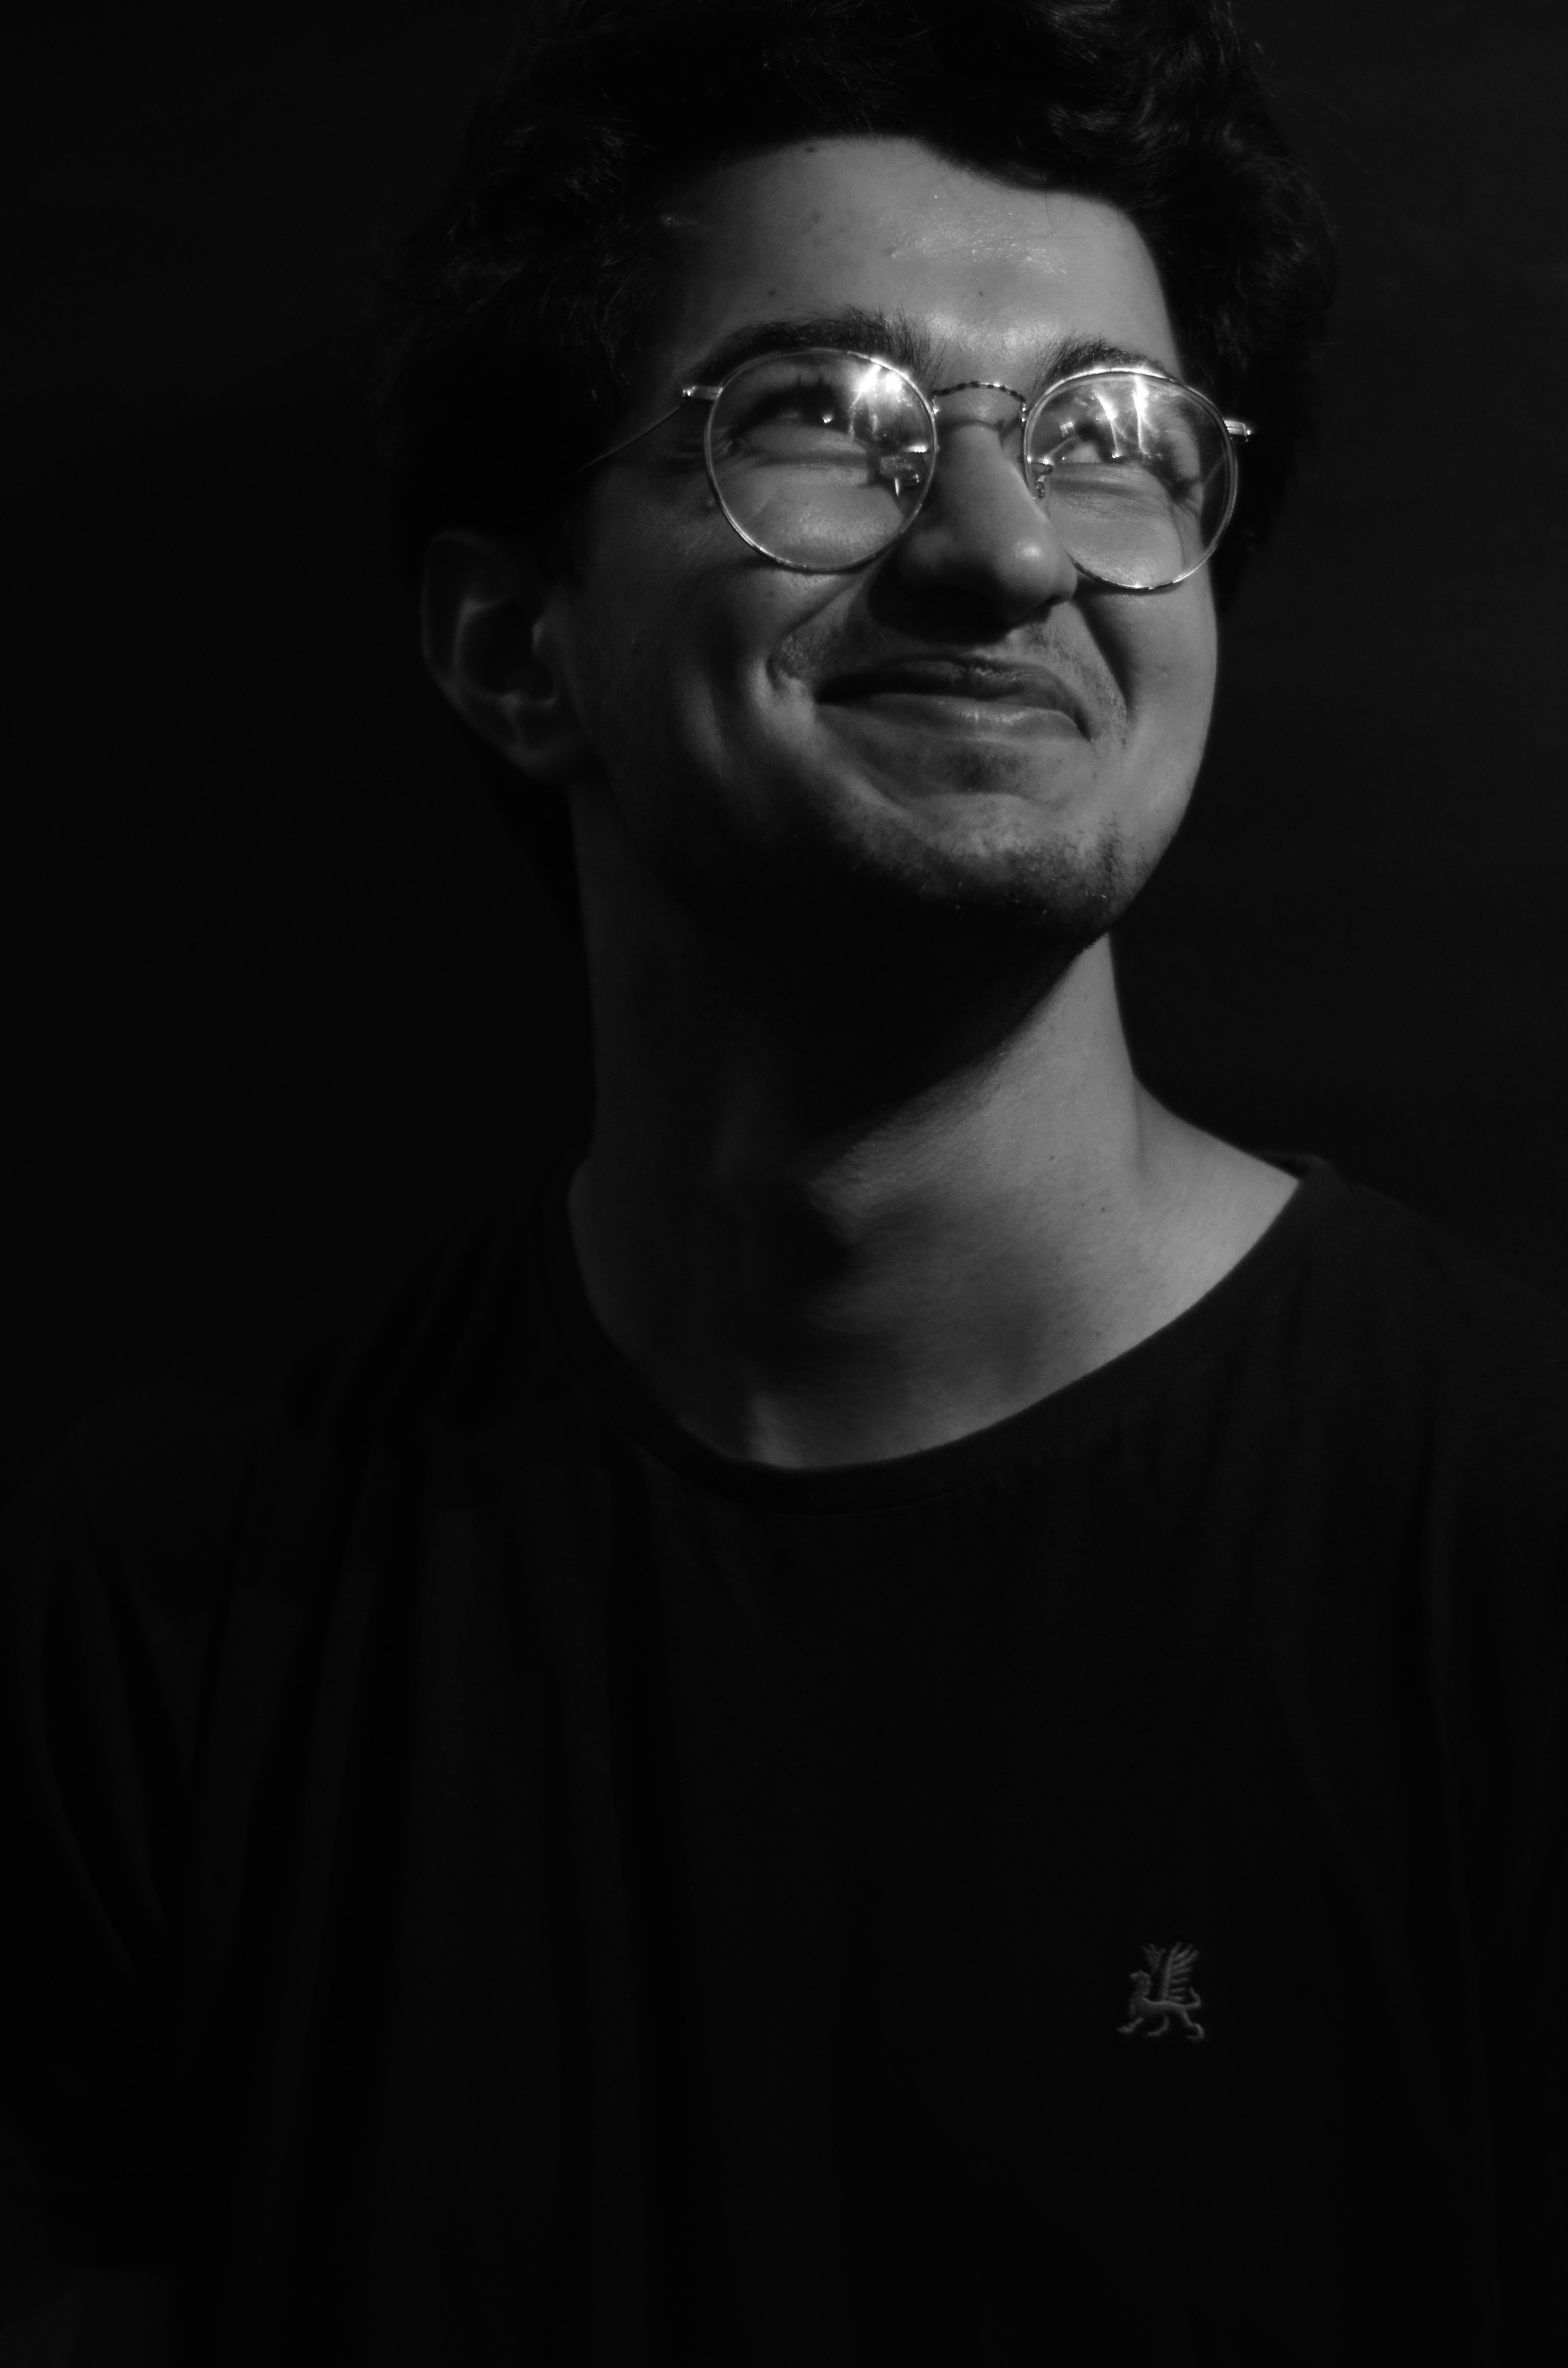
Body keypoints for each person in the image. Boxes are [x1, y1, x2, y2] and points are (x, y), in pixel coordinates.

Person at [2, 0, 1564, 2361]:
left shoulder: (1516, 1537)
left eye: (1116, 437)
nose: (1008, 542)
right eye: (822, 422)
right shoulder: (161, 1605)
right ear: (516, 650)